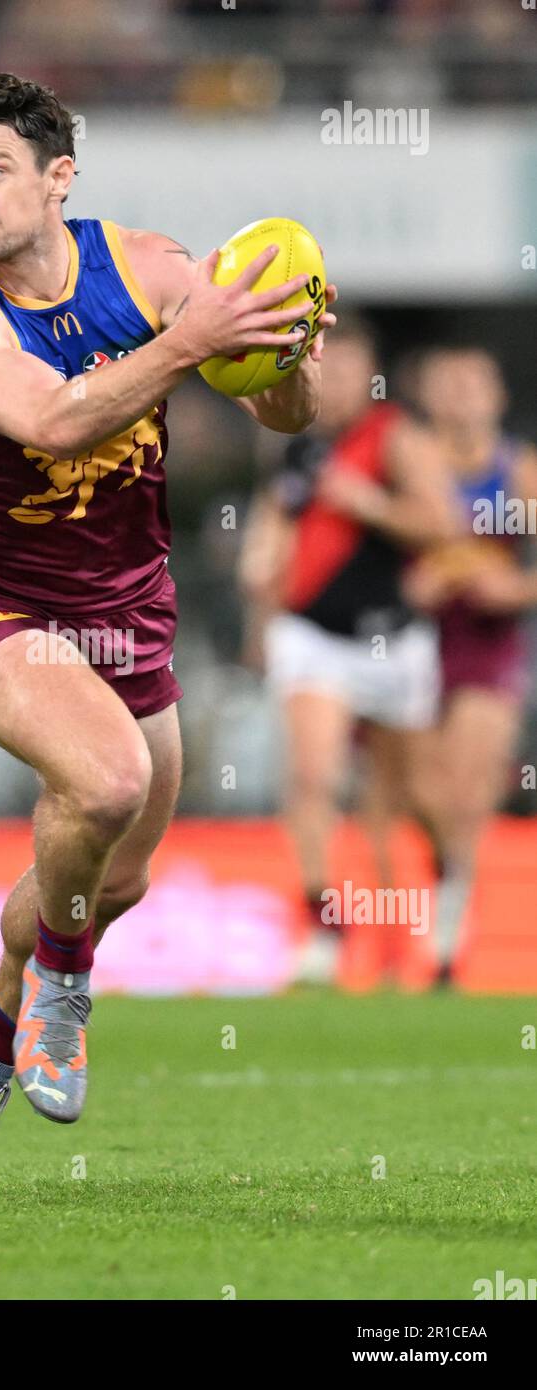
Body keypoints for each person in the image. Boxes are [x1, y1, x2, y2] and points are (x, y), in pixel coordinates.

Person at [0, 71, 335, 1193]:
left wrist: (282, 352)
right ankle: (58, 994)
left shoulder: (146, 267)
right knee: (99, 784)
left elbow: (282, 416)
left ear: (58, 179)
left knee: (121, 877)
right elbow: (52, 423)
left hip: (127, 608)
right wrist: (188, 341)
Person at [238, 319, 456, 985]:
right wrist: (260, 601)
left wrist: (366, 503)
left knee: (409, 799)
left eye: (345, 370)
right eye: (321, 369)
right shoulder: (294, 447)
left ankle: (440, 910)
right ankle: (324, 926)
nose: (331, 384)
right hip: (313, 637)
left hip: (393, 640)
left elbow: (442, 525)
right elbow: (271, 537)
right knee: (312, 778)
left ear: (372, 376)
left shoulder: (397, 440)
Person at [404, 348, 537, 984]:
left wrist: (515, 590)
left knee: (464, 790)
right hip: (414, 636)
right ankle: (445, 872)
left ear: (496, 397)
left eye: (472, 384)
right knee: (422, 792)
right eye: (447, 383)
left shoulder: (520, 470)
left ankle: (449, 930)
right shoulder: (409, 462)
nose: (460, 395)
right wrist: (412, 582)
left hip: (488, 638)